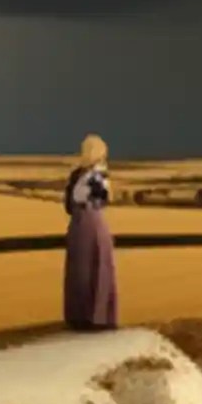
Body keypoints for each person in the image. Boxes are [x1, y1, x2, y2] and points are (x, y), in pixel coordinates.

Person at [62, 133, 118, 331]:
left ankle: (95, 317)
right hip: (83, 224)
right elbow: (70, 202)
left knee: (92, 268)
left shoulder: (97, 175)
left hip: (88, 223)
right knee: (83, 269)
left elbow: (99, 200)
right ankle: (83, 316)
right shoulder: (81, 174)